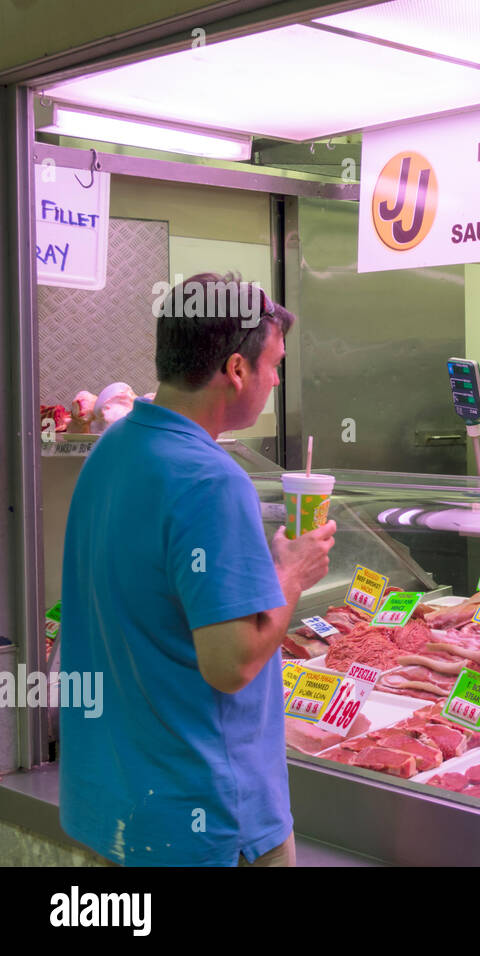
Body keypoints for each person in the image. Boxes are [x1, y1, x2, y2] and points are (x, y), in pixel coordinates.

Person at [59, 273, 336, 866]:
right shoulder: (211, 479)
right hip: (207, 820)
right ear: (236, 369)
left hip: (117, 807)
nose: (276, 380)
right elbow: (230, 664)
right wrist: (293, 572)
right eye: (274, 365)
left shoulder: (114, 446)